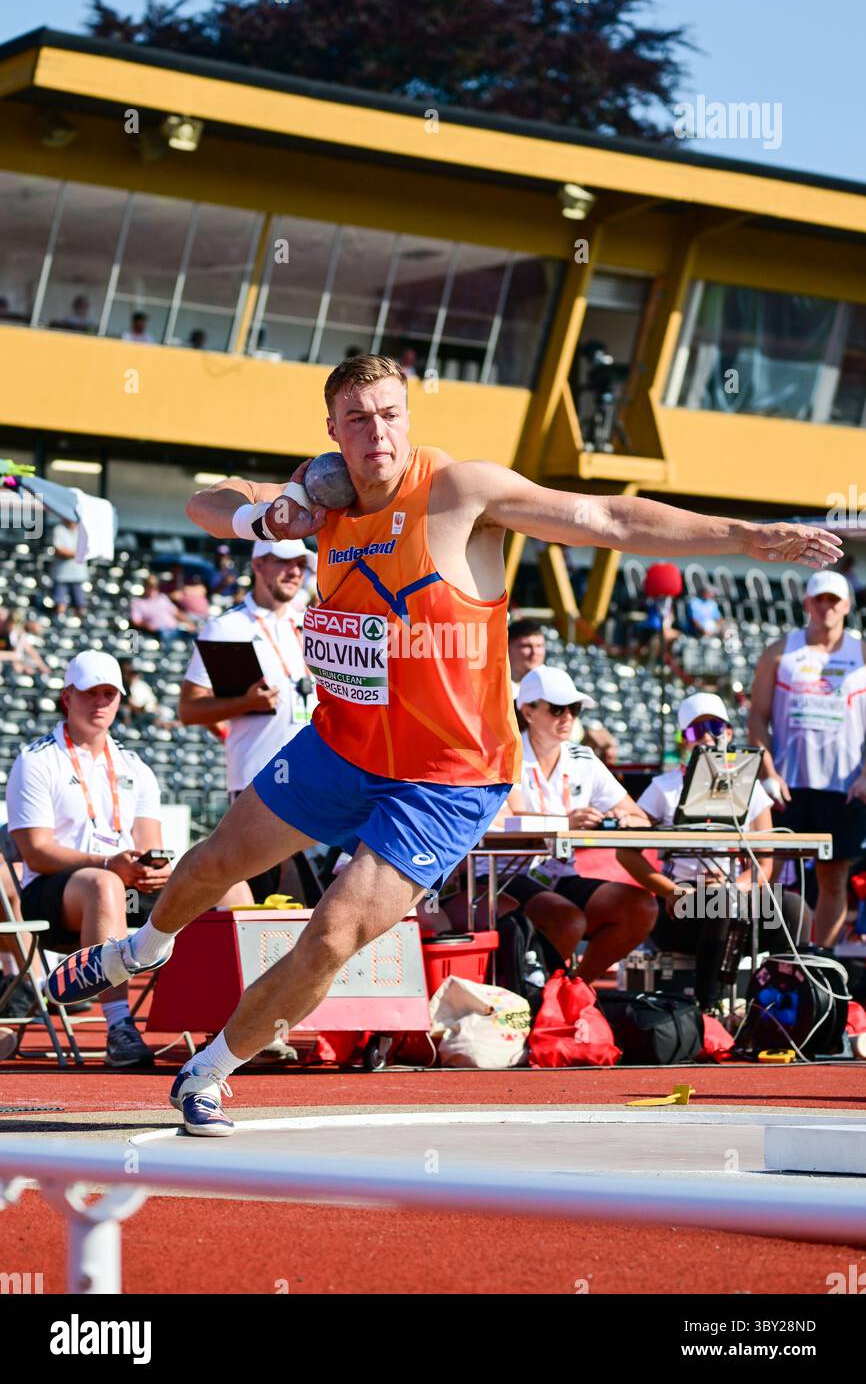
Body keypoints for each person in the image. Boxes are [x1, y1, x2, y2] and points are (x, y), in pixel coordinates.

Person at [44, 352, 840, 1135]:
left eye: (389, 415)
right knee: (217, 860)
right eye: (357, 419)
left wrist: (742, 534)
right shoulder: (320, 492)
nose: (376, 433)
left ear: (408, 420)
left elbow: (608, 518)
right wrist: (269, 513)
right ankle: (142, 950)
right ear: (334, 429)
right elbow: (202, 505)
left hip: (445, 779)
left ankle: (208, 1071)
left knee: (332, 934)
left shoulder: (461, 492)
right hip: (343, 744)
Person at [7, 652, 170, 1066]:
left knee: (221, 885)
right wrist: (107, 864)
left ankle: (227, 1026)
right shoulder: (37, 759)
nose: (100, 703)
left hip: (120, 884)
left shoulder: (135, 766)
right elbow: (37, 852)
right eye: (89, 693)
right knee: (105, 884)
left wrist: (154, 870)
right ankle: (119, 1026)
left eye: (109, 694)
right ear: (67, 697)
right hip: (53, 894)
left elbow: (150, 843)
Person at [446, 666, 654, 983]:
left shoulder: (582, 757)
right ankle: (537, 1001)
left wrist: (620, 819)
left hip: (556, 872)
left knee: (640, 907)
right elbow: (502, 821)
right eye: (557, 708)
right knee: (567, 919)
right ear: (527, 711)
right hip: (500, 872)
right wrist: (565, 822)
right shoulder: (503, 754)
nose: (568, 717)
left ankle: (574, 991)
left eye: (575, 708)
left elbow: (639, 817)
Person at [617, 692, 800, 1010]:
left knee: (792, 907)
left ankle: (779, 1003)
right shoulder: (664, 788)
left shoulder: (752, 789)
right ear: (684, 740)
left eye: (715, 727)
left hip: (734, 902)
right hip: (680, 910)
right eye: (694, 731)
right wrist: (672, 892)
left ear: (729, 733)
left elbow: (765, 864)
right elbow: (625, 852)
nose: (706, 737)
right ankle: (707, 1009)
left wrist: (734, 888)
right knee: (722, 904)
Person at [179, 539, 317, 906]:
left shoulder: (311, 622)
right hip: (261, 785)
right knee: (272, 905)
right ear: (258, 564)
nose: (294, 572)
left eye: (301, 564)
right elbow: (190, 709)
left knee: (312, 905)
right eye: (284, 562)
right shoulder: (228, 627)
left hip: (317, 781)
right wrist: (245, 704)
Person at [748, 570, 866, 948]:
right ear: (807, 604)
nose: (826, 607)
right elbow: (757, 717)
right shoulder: (781, 652)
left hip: (843, 786)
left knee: (833, 877)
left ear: (846, 605)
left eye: (834, 600)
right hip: (789, 783)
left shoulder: (861, 654)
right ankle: (766, 952)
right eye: (819, 599)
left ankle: (823, 959)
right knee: (771, 870)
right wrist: (768, 772)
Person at [130, 574, 197, 645]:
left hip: (175, 629)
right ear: (145, 586)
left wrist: (189, 623)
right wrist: (147, 625)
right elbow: (136, 621)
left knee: (195, 635)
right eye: (150, 586)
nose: (152, 589)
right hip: (158, 633)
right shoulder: (137, 602)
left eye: (154, 587)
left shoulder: (162, 598)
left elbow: (176, 613)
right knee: (167, 636)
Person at [50, 518, 88, 618]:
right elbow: (59, 550)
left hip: (78, 574)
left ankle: (81, 627)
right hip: (62, 574)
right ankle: (59, 624)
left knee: (80, 604)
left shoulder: (82, 529)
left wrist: (73, 553)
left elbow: (86, 550)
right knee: (60, 603)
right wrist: (75, 553)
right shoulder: (59, 529)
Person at [0, 608, 48, 675]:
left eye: (14, 622)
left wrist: (42, 666)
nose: (11, 624)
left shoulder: (17, 632)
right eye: (10, 620)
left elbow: (28, 649)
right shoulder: (3, 617)